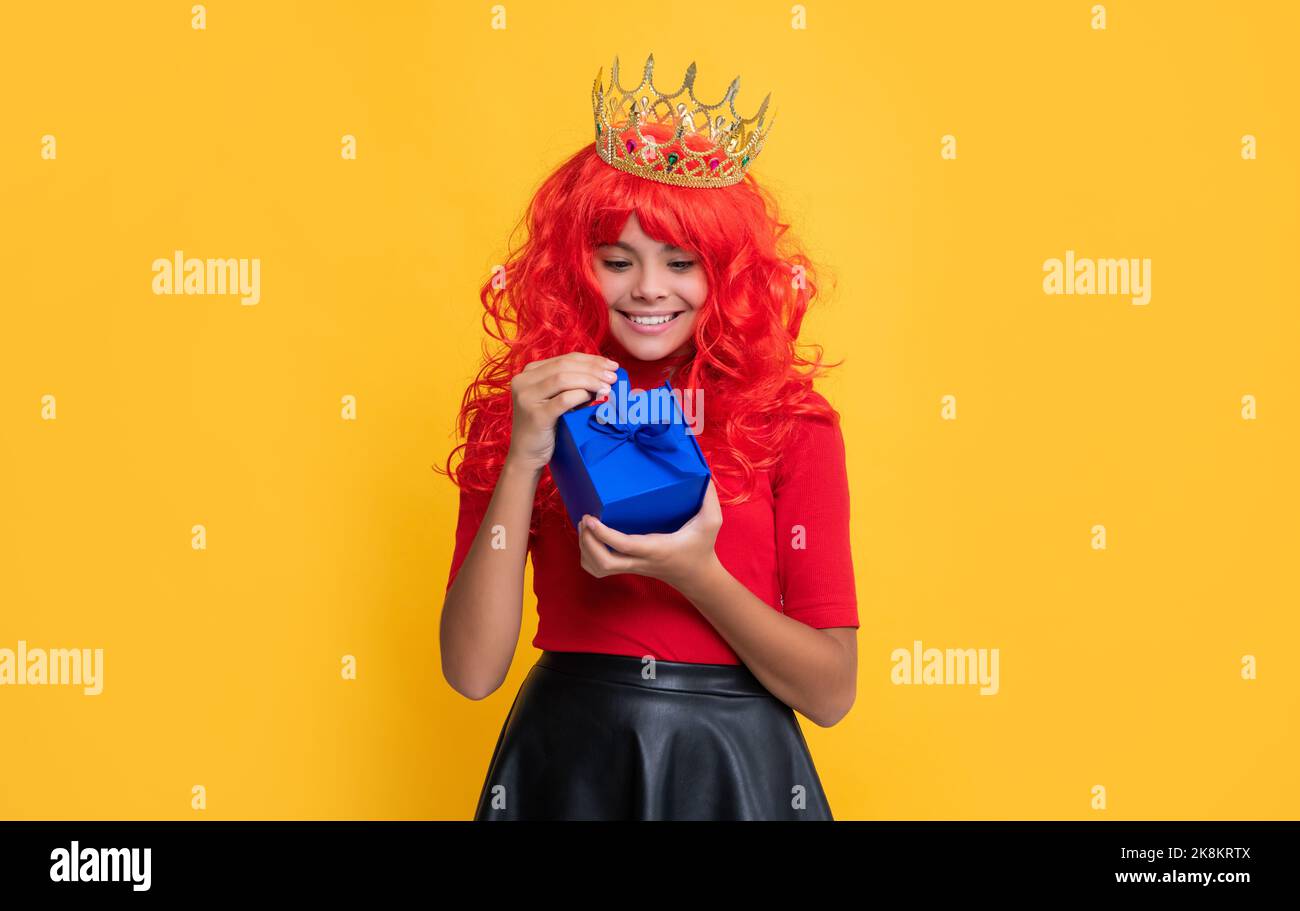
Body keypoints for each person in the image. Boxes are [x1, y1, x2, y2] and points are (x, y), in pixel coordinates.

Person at [436, 54, 859, 820]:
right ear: (576, 266)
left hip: (737, 767)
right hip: (569, 762)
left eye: (681, 262)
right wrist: (526, 456)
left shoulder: (791, 422)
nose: (649, 289)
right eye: (617, 260)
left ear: (726, 272)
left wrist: (697, 574)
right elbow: (470, 671)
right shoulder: (530, 407)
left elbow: (831, 692)